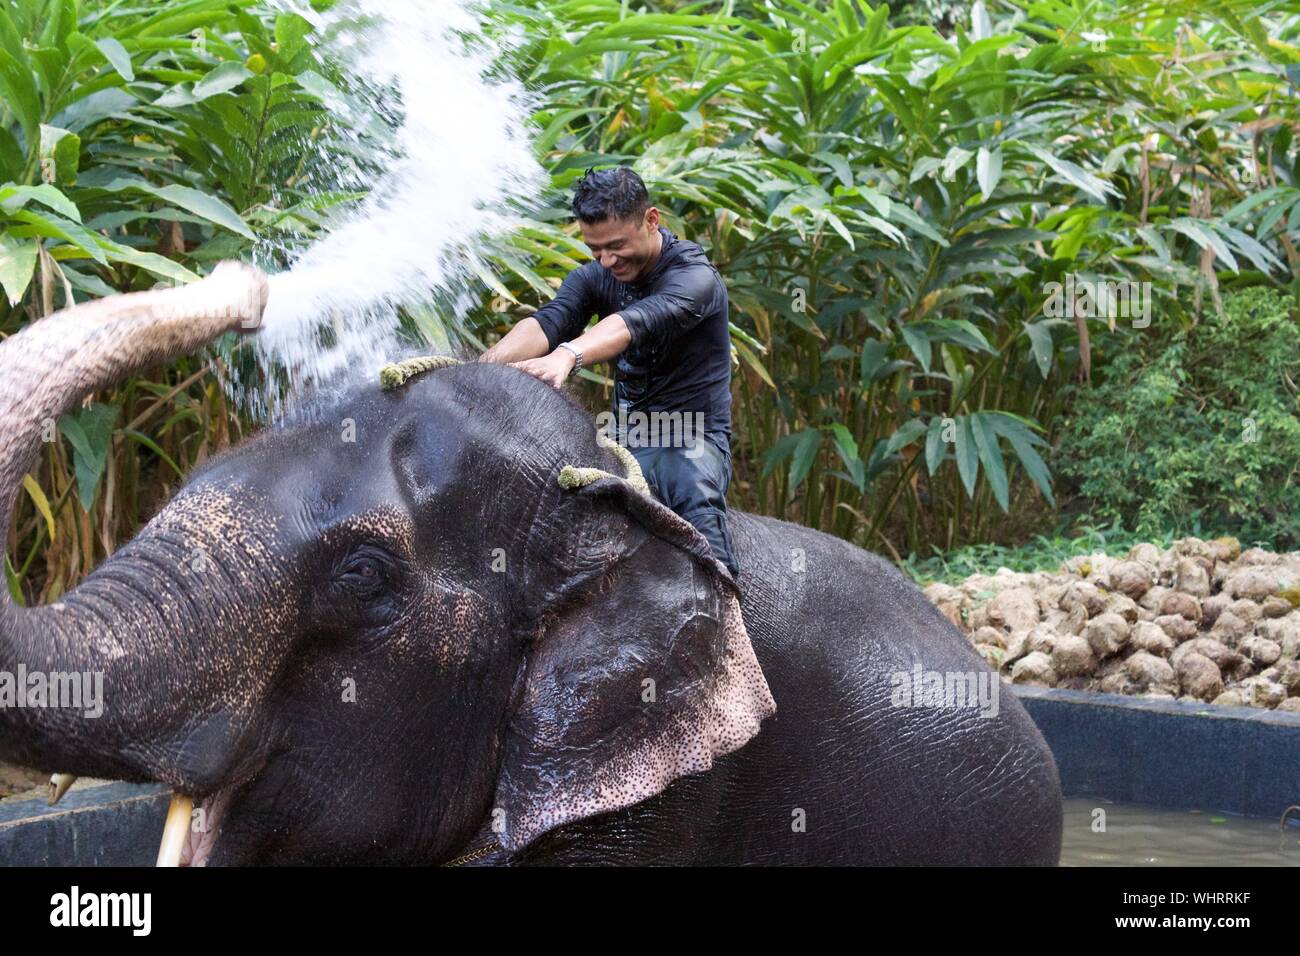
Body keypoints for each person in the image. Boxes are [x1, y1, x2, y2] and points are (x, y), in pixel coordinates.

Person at [480, 166, 739, 578]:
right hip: (623, 438)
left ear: (651, 220)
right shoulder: (598, 275)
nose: (607, 259)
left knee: (688, 487)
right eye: (595, 248)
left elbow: (633, 323)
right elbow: (550, 321)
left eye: (616, 245)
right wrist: (482, 369)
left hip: (692, 437)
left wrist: (568, 356)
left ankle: (726, 610)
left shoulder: (694, 279)